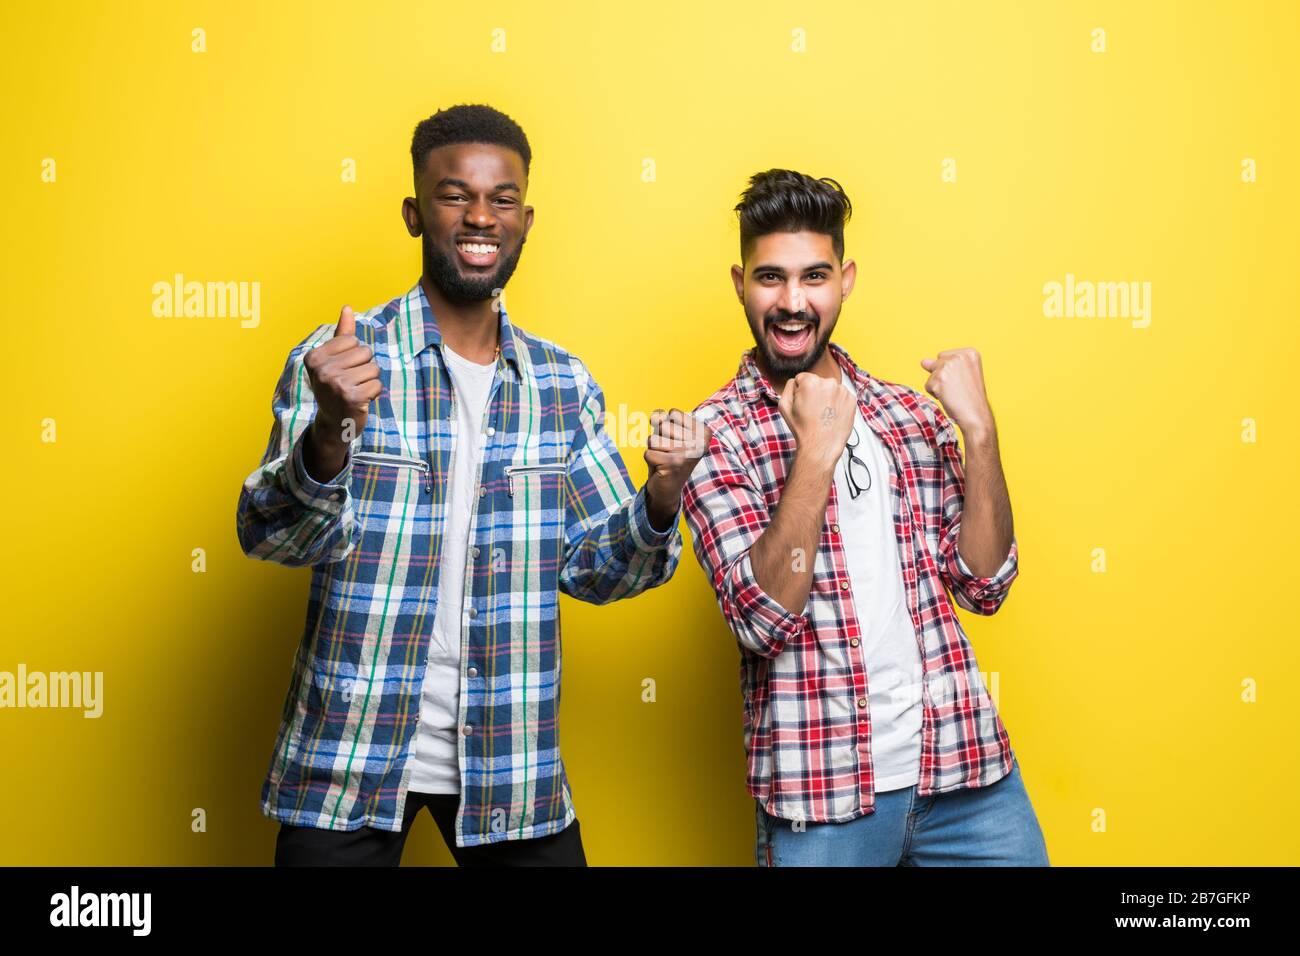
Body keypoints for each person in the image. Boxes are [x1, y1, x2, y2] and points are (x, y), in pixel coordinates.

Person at [236, 104, 710, 866]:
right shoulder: (339, 362)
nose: (481, 217)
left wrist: (661, 496)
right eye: (455, 196)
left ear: (526, 220)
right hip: (347, 760)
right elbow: (270, 536)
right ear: (414, 213)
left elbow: (600, 572)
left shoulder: (561, 384)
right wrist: (330, 431)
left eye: (502, 199)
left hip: (511, 769)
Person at [681, 169, 1049, 866]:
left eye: (814, 276)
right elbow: (763, 621)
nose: (793, 302)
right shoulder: (714, 435)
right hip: (824, 799)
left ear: (845, 280)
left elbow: (984, 583)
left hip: (965, 774)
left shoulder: (906, 415)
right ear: (740, 283)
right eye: (770, 278)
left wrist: (980, 433)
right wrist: (816, 451)